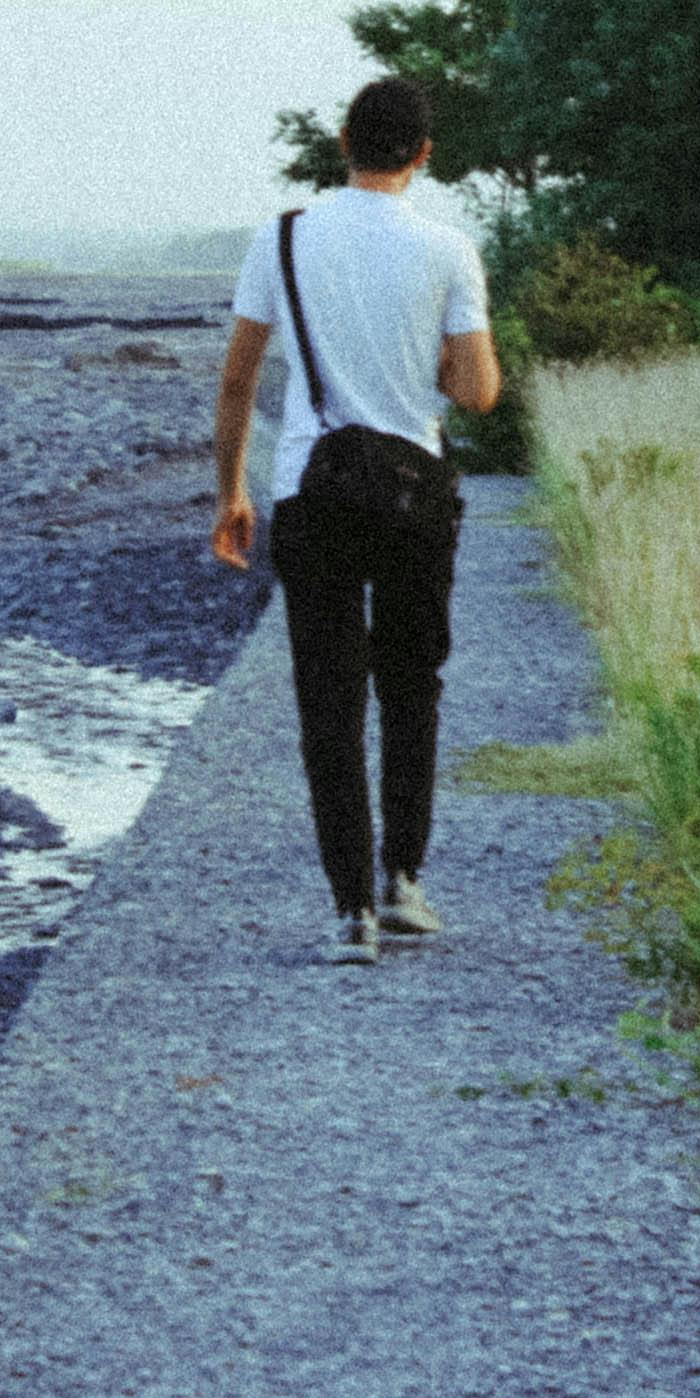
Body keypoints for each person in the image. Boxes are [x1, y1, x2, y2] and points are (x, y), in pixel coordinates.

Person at [212, 76, 502, 966]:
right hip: (415, 496)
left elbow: (238, 380)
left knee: (327, 702)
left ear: (343, 138)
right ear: (423, 154)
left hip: (313, 489)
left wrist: (232, 492)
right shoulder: (450, 249)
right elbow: (480, 394)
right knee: (412, 686)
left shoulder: (285, 237)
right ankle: (404, 884)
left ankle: (350, 914)